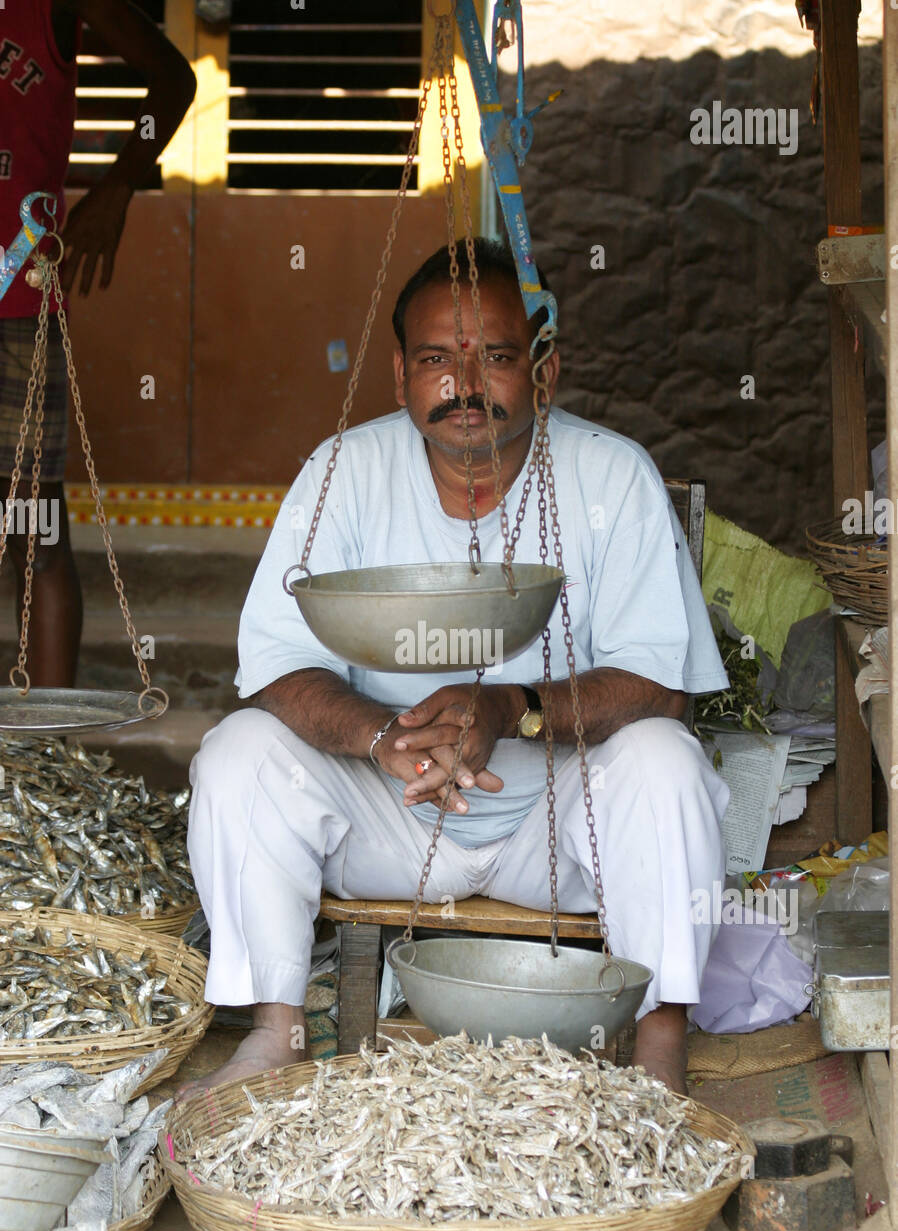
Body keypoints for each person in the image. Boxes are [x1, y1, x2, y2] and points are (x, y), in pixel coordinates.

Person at [185, 237, 730, 1097]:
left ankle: (658, 1043)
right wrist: (378, 739)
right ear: (400, 371)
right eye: (436, 359)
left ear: (543, 370)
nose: (463, 384)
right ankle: (274, 1031)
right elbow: (276, 665)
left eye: (497, 357)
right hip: (391, 814)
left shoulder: (610, 475)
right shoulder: (342, 472)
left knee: (665, 761)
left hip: (555, 823)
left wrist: (513, 707)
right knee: (237, 752)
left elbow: (661, 679)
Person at [0, 0, 195, 685]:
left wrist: (117, 185)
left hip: (15, 301)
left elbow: (172, 80)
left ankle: (48, 755)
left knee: (35, 534)